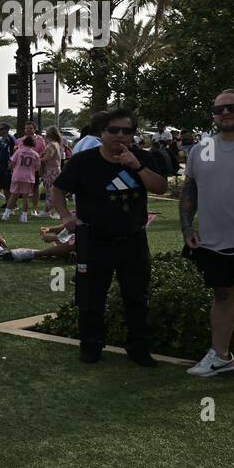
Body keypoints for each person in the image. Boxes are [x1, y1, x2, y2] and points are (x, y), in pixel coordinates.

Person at [50, 108, 167, 367]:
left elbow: (160, 187)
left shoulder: (143, 157)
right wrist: (65, 216)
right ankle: (91, 346)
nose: (120, 136)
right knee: (91, 298)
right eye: (114, 130)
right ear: (102, 132)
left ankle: (138, 348)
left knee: (137, 297)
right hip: (94, 240)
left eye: (127, 131)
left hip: (133, 240)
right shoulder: (84, 161)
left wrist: (136, 167)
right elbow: (58, 189)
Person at [181, 89, 234, 382]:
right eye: (218, 110)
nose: (225, 113)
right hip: (213, 242)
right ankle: (221, 357)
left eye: (233, 107)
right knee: (223, 295)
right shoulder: (203, 148)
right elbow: (190, 189)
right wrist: (187, 227)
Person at [2, 135, 41, 223]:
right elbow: (37, 168)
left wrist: (11, 169)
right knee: (25, 197)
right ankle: (24, 216)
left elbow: (11, 163)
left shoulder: (19, 151)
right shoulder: (36, 154)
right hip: (28, 177)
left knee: (14, 195)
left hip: (17, 175)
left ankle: (6, 214)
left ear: (24, 142)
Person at [41, 127, 64, 218]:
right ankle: (48, 210)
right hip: (56, 170)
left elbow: (47, 157)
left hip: (51, 171)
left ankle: (49, 211)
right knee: (53, 191)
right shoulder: (57, 144)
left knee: (50, 192)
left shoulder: (51, 145)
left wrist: (37, 159)